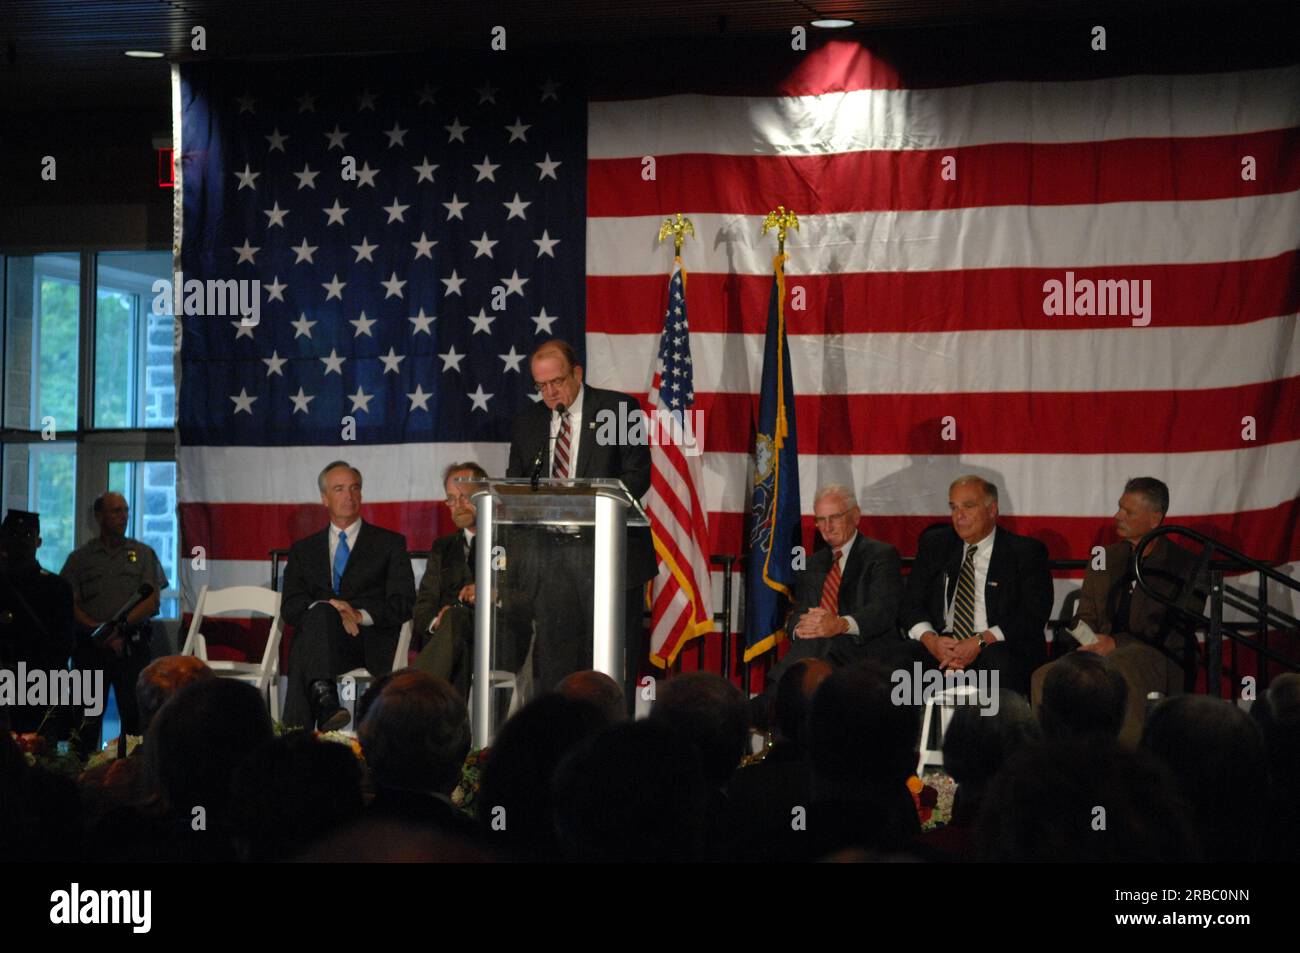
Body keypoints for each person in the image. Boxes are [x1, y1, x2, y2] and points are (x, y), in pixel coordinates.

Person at [505, 339, 653, 698]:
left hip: (611, 559)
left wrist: (585, 505)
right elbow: (516, 486)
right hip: (551, 563)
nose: (551, 392)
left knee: (612, 668)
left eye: (557, 382)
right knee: (558, 668)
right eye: (541, 386)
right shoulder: (529, 423)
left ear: (577, 373)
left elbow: (638, 475)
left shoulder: (617, 410)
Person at [1030, 477, 1205, 747]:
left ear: (1155, 519)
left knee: (1122, 667)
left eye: (1128, 512)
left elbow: (1176, 630)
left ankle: (1124, 769)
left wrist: (1115, 643)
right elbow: (1087, 612)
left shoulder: (1186, 564)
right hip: (1101, 652)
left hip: (1160, 657)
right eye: (1119, 507)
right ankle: (1054, 763)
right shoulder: (1105, 558)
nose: (1117, 516)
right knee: (1044, 676)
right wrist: (1086, 637)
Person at [279, 461, 416, 730]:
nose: (349, 496)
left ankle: (297, 738)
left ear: (361, 495)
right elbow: (291, 608)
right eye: (339, 489)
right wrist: (331, 607)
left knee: (304, 648)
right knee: (318, 615)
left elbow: (403, 603)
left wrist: (357, 615)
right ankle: (325, 701)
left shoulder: (390, 544)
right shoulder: (303, 550)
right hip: (325, 646)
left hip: (367, 644)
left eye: (354, 488)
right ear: (324, 498)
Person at [752, 484, 902, 727]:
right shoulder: (813, 563)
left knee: (822, 643)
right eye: (821, 520)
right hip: (818, 647)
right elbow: (798, 613)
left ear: (855, 516)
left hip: (864, 648)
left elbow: (882, 611)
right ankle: (774, 713)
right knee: (814, 640)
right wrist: (801, 628)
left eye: (834, 517)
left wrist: (840, 625)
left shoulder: (880, 555)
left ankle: (765, 706)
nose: (827, 527)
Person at [900, 476, 1053, 695]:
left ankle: (992, 728)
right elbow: (910, 605)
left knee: (998, 661)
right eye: (954, 507)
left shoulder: (1025, 552)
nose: (958, 516)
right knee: (901, 660)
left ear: (992, 510)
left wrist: (980, 641)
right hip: (942, 643)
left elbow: (1034, 613)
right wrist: (930, 640)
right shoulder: (935, 544)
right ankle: (918, 730)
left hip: (995, 643)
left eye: (968, 507)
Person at [60, 492, 168, 751]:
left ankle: (133, 778)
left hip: (130, 647)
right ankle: (81, 778)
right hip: (91, 648)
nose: (124, 516)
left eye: (126, 510)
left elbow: (151, 601)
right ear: (99, 516)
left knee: (135, 720)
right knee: (85, 721)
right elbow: (68, 603)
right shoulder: (80, 559)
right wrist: (99, 631)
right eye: (116, 511)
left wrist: (117, 629)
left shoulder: (142, 554)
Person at [411, 461, 488, 698]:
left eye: (464, 497)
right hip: (450, 643)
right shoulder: (442, 548)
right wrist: (438, 621)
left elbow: (526, 599)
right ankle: (454, 732)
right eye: (451, 499)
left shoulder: (508, 540)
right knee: (455, 624)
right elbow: (423, 608)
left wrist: (491, 593)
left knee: (458, 626)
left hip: (493, 642)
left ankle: (413, 694)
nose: (458, 506)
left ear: (484, 496)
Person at [0, 509, 75, 733]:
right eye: (14, 535)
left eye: (27, 534)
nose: (21, 541)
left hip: (40, 684)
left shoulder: (56, 587)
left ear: (39, 541)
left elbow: (63, 644)